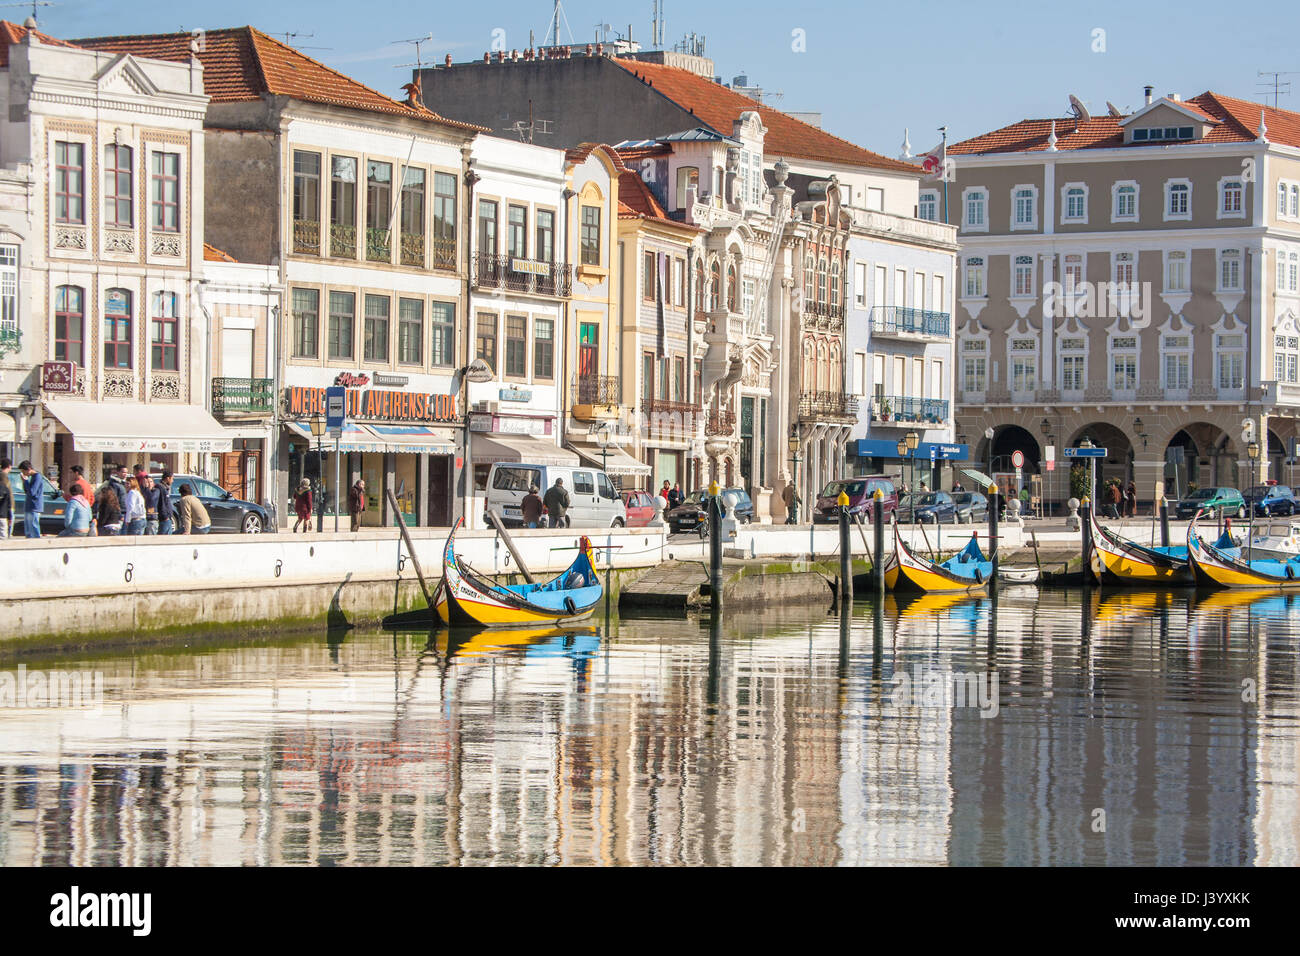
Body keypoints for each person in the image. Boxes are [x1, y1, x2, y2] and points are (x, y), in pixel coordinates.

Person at [19, 461, 46, 539]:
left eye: (24, 471)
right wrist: (24, 482)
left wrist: (26, 481)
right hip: (29, 506)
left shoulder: (37, 476)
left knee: (33, 527)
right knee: (28, 529)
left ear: (29, 469)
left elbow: (32, 492)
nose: (23, 473)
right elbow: (27, 491)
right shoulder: (32, 477)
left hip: (34, 506)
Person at [0, 458, 11, 539]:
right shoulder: (3, 477)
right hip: (4, 511)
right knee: (4, 534)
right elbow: (6, 494)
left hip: (4, 509)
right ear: (9, 466)